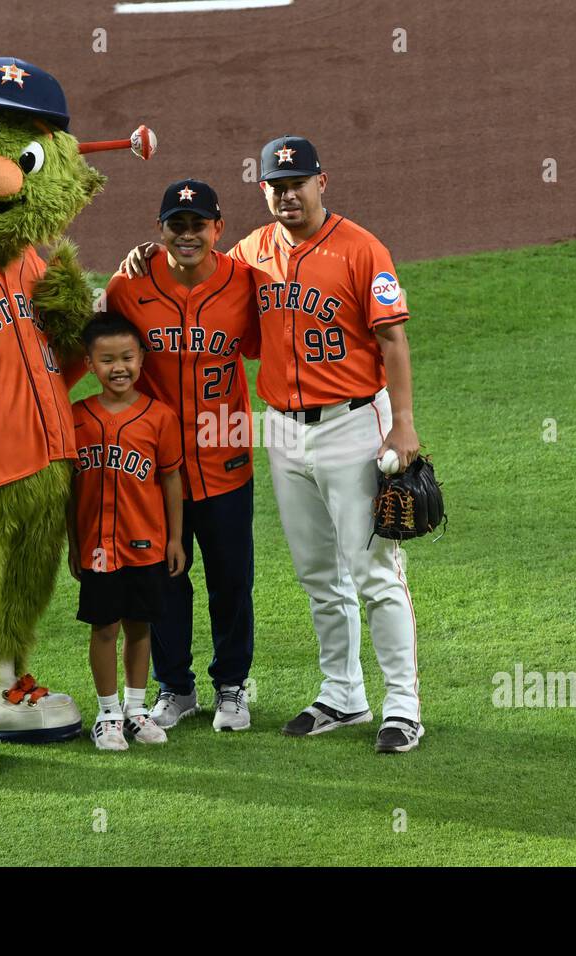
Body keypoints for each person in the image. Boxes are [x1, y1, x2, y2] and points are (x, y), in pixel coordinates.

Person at [121, 137, 424, 753]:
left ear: (322, 183)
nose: (288, 194)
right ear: (262, 190)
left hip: (353, 423)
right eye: (277, 186)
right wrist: (147, 257)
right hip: (281, 429)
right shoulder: (250, 254)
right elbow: (198, 271)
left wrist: (404, 424)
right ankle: (342, 694)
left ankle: (403, 704)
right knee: (318, 574)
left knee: (374, 573)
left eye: (299, 183)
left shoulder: (363, 249)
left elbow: (392, 340)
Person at [106, 179, 264, 733]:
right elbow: (98, 351)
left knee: (230, 580)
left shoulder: (246, 283)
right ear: (160, 230)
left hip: (226, 463)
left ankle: (232, 686)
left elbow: (279, 342)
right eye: (177, 224)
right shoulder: (128, 287)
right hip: (158, 471)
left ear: (218, 229)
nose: (188, 234)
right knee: (164, 579)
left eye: (199, 224)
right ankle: (176, 687)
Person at [68, 313, 185, 751]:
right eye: (107, 360)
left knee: (141, 628)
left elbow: (171, 480)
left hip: (147, 545)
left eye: (127, 358)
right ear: (89, 364)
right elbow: (70, 489)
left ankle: (136, 710)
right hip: (98, 549)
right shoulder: (77, 417)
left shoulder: (160, 417)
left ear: (142, 359)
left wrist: (174, 539)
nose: (119, 368)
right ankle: (108, 713)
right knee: (104, 628)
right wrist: (74, 544)